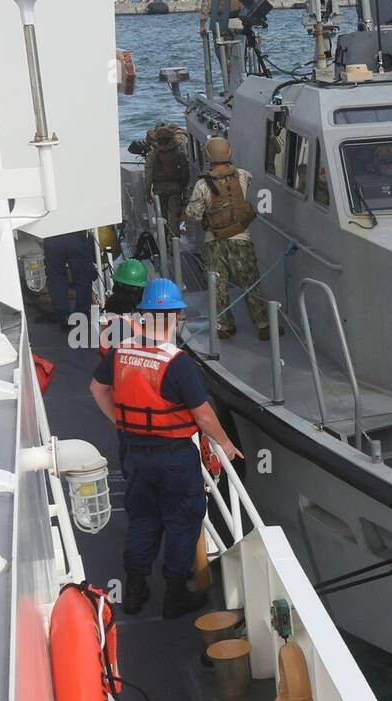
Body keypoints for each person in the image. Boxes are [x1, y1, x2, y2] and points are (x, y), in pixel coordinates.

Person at [89, 278, 243, 619]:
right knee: (182, 520)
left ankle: (134, 590)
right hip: (173, 456)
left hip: (133, 451)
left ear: (144, 315)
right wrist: (227, 444)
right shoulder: (179, 364)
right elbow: (203, 415)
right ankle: (175, 594)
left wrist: (121, 421)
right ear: (175, 317)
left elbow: (97, 388)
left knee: (143, 518)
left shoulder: (120, 352)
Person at [185, 137, 268, 340]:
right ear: (229, 152)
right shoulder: (243, 176)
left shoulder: (202, 185)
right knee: (250, 282)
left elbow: (194, 214)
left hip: (214, 241)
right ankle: (263, 325)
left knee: (217, 285)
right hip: (241, 238)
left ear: (207, 155)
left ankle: (224, 326)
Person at [41, 230, 97, 327]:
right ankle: (81, 315)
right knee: (82, 276)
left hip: (51, 236)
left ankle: (64, 315)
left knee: (56, 277)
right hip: (76, 236)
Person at [147, 123, 191, 236]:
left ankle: (164, 242)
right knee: (174, 217)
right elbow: (185, 170)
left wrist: (147, 192)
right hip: (175, 188)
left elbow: (148, 175)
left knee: (162, 217)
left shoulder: (153, 154)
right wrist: (183, 185)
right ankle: (173, 241)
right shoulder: (178, 151)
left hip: (159, 189)